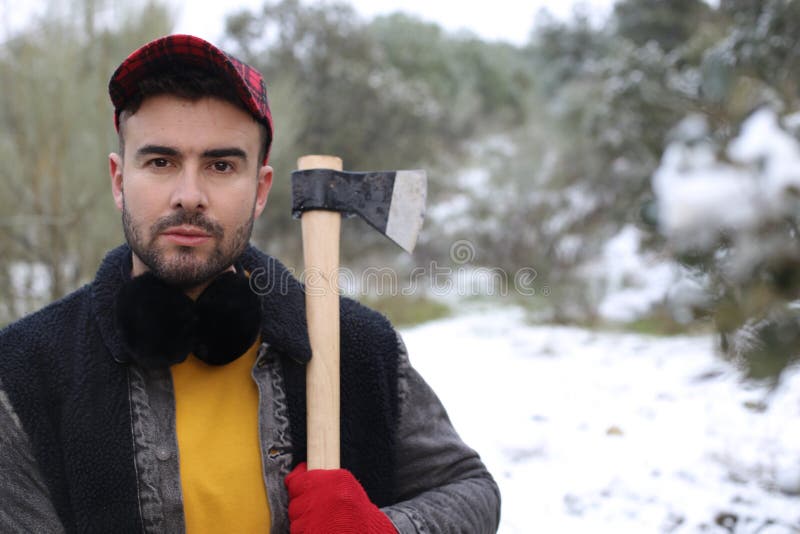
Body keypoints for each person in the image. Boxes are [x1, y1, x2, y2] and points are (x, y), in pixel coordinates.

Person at [0, 34, 500, 533]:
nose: (189, 195)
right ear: (118, 181)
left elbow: (471, 490)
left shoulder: (357, 348)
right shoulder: (24, 375)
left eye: (221, 165)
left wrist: (385, 530)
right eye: (160, 162)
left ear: (261, 190)